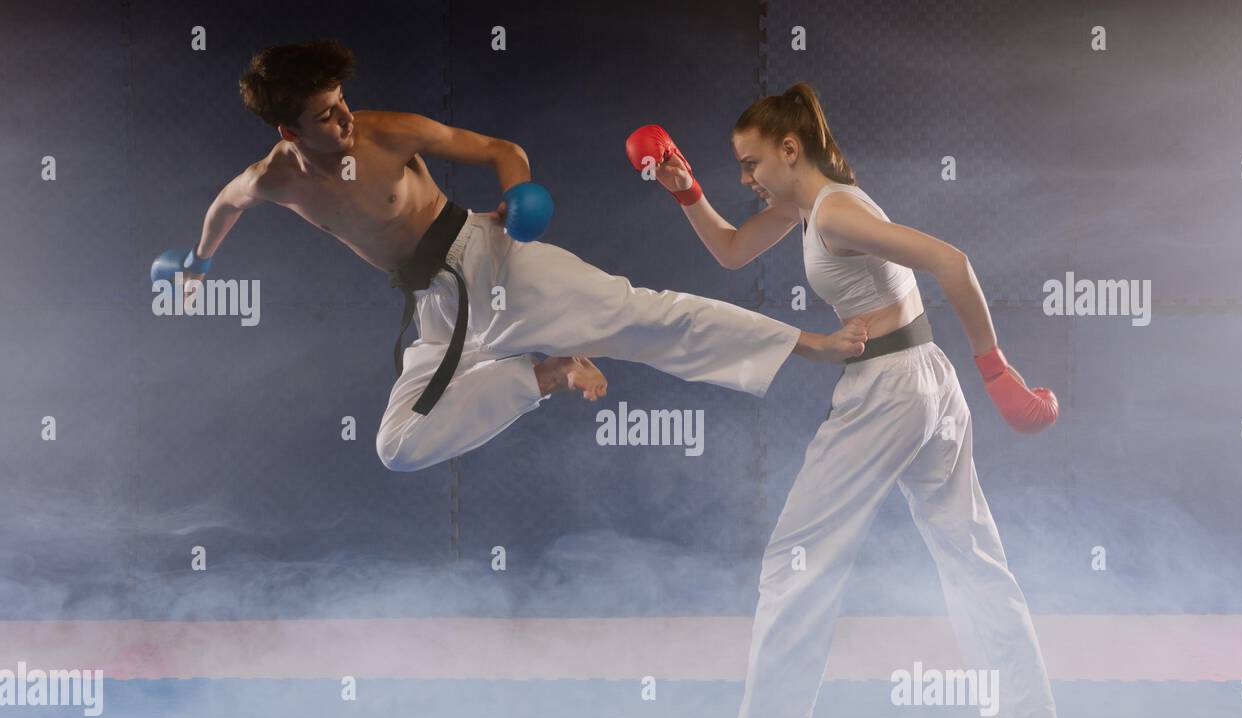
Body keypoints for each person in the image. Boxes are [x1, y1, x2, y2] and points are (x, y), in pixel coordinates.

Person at [154, 41, 870, 471]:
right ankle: (546, 373)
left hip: (490, 262)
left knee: (645, 318)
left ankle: (808, 342)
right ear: (288, 129)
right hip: (437, 315)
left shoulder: (385, 133)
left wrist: (519, 194)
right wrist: (196, 265)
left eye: (343, 103)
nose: (344, 120)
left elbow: (501, 150)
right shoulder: (271, 177)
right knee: (398, 445)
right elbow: (226, 205)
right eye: (325, 116)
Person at [635, 83, 1062, 718]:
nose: (744, 179)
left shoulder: (831, 211)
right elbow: (734, 251)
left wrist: (998, 369)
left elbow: (952, 261)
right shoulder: (812, 206)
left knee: (794, 556)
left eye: (750, 163)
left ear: (789, 149)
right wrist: (687, 193)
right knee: (971, 555)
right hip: (928, 381)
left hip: (890, 389)